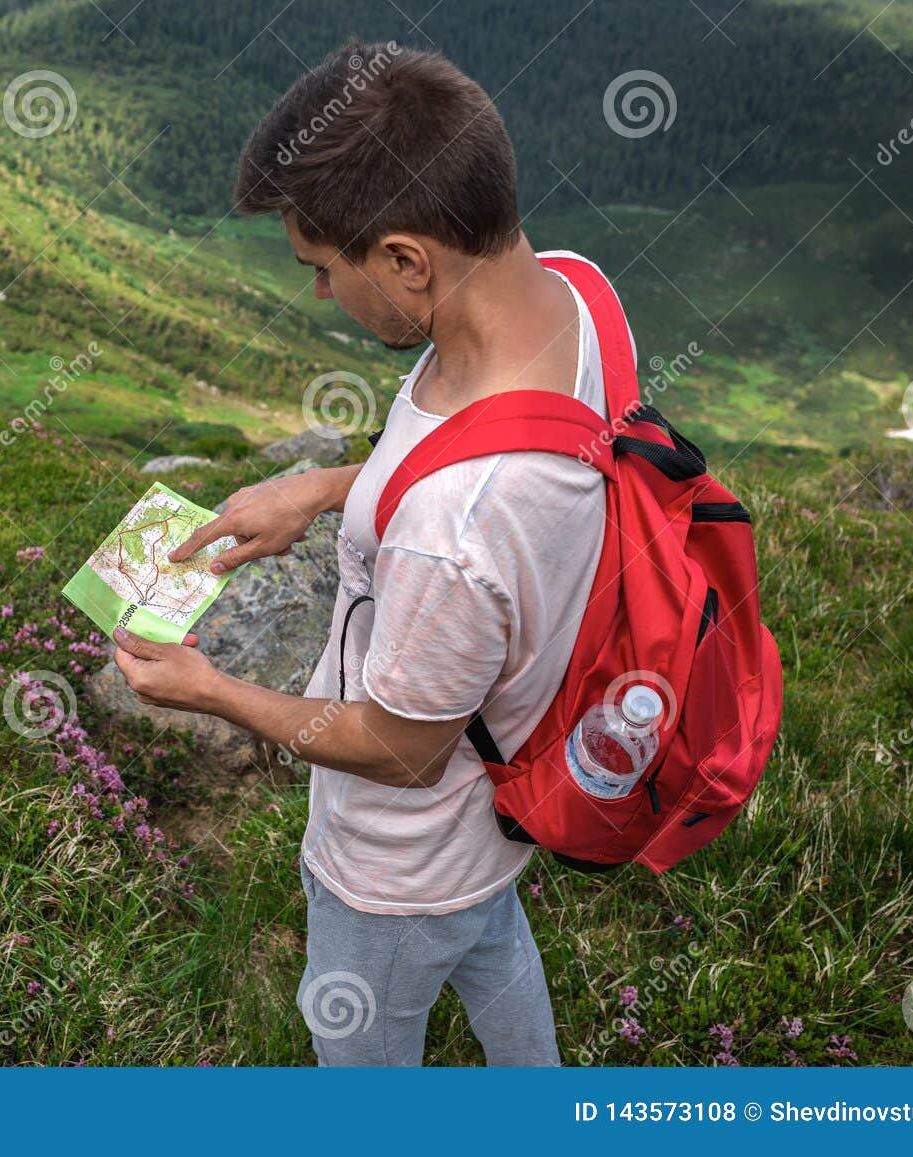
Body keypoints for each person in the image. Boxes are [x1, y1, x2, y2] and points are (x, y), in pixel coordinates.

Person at [111, 40, 621, 1067]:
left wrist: (210, 688)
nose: (315, 294)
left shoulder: (453, 528)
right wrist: (329, 485)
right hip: (495, 811)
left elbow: (399, 750)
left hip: (398, 862)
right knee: (491, 948)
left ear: (404, 261)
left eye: (320, 268)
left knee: (357, 1048)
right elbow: (505, 449)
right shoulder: (573, 295)